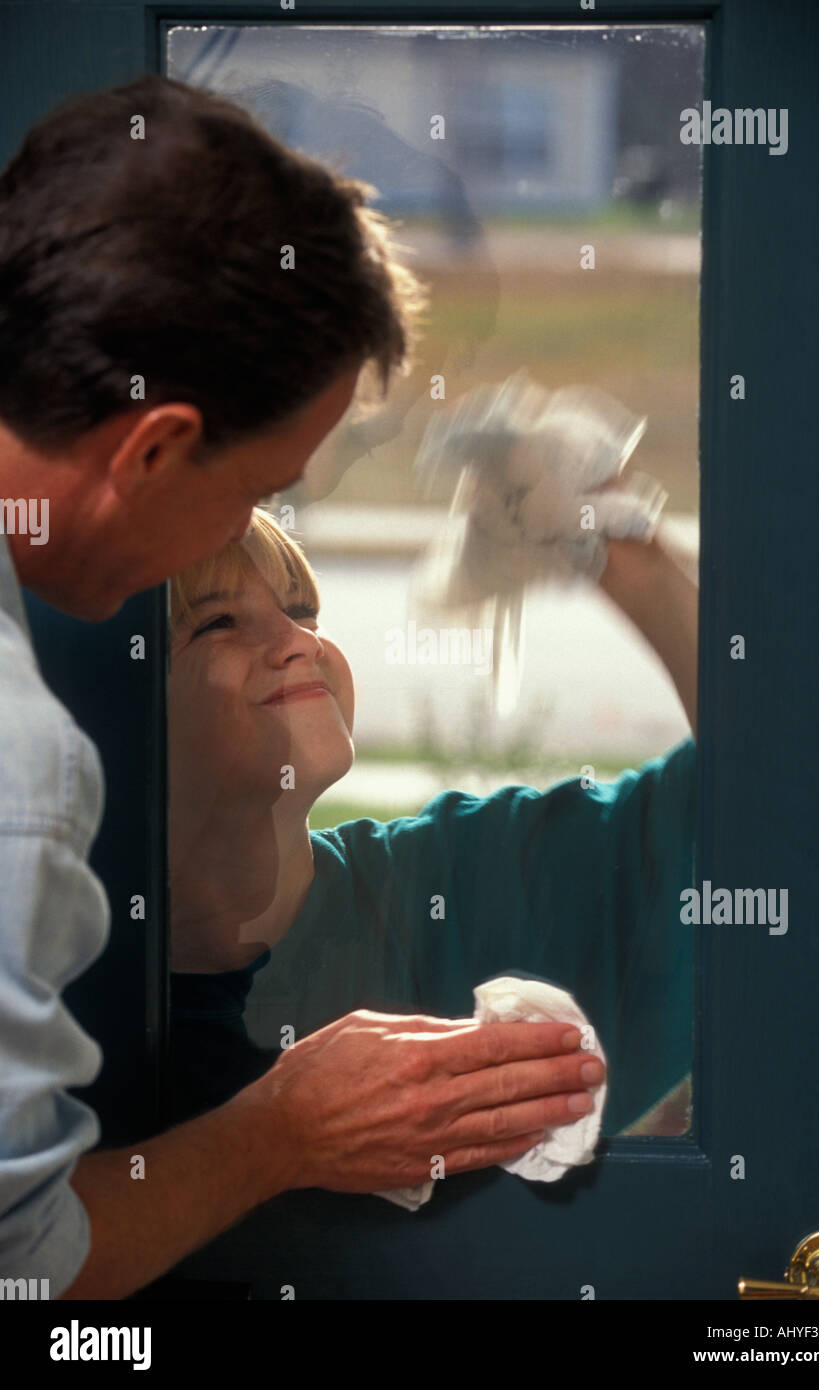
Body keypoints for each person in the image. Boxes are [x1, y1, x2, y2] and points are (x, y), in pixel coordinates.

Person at [0, 73, 602, 1302]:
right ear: (155, 446)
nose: (252, 548)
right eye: (248, 492)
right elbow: (21, 1270)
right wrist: (283, 1132)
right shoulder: (23, 773)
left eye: (305, 603)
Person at [166, 508, 697, 1142]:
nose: (303, 641)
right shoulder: (49, 972)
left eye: (304, 612)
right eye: (219, 623)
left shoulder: (456, 883)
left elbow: (774, 789)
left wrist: (617, 538)